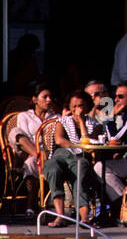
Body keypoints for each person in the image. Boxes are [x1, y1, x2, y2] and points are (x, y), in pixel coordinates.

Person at [42, 91, 105, 226]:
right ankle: (60, 215)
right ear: (70, 108)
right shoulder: (62, 122)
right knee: (52, 168)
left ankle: (84, 217)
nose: (77, 109)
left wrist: (82, 121)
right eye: (74, 106)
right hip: (62, 155)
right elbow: (59, 140)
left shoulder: (95, 125)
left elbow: (89, 142)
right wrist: (77, 146)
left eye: (81, 106)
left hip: (80, 158)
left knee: (81, 168)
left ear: (87, 107)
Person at [11, 82, 59, 214]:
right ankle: (38, 155)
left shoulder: (56, 117)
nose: (49, 100)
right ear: (34, 99)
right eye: (45, 97)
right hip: (27, 151)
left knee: (32, 162)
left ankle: (31, 203)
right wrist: (36, 151)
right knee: (15, 132)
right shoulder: (24, 116)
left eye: (51, 97)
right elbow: (23, 138)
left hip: (49, 153)